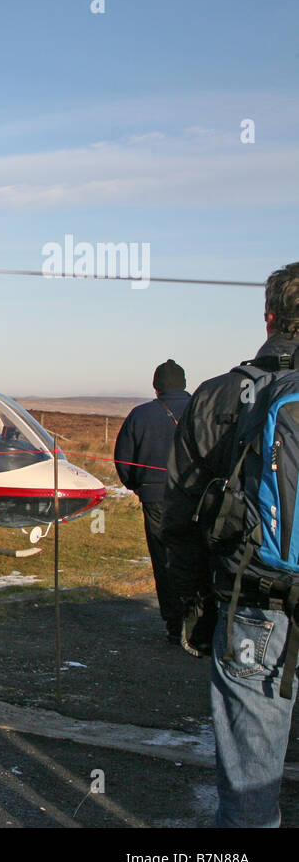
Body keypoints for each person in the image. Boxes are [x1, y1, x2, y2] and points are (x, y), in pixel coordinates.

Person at [164, 261, 299, 827]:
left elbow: (179, 519)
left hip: (255, 606)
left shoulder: (218, 396)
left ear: (269, 315)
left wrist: (190, 614)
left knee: (249, 787)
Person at [114, 359, 192, 645]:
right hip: (198, 496)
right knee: (198, 555)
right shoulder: (204, 410)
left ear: (156, 386)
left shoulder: (140, 415)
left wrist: (138, 486)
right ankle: (200, 622)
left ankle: (175, 624)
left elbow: (123, 458)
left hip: (155, 496)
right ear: (184, 384)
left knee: (164, 559)